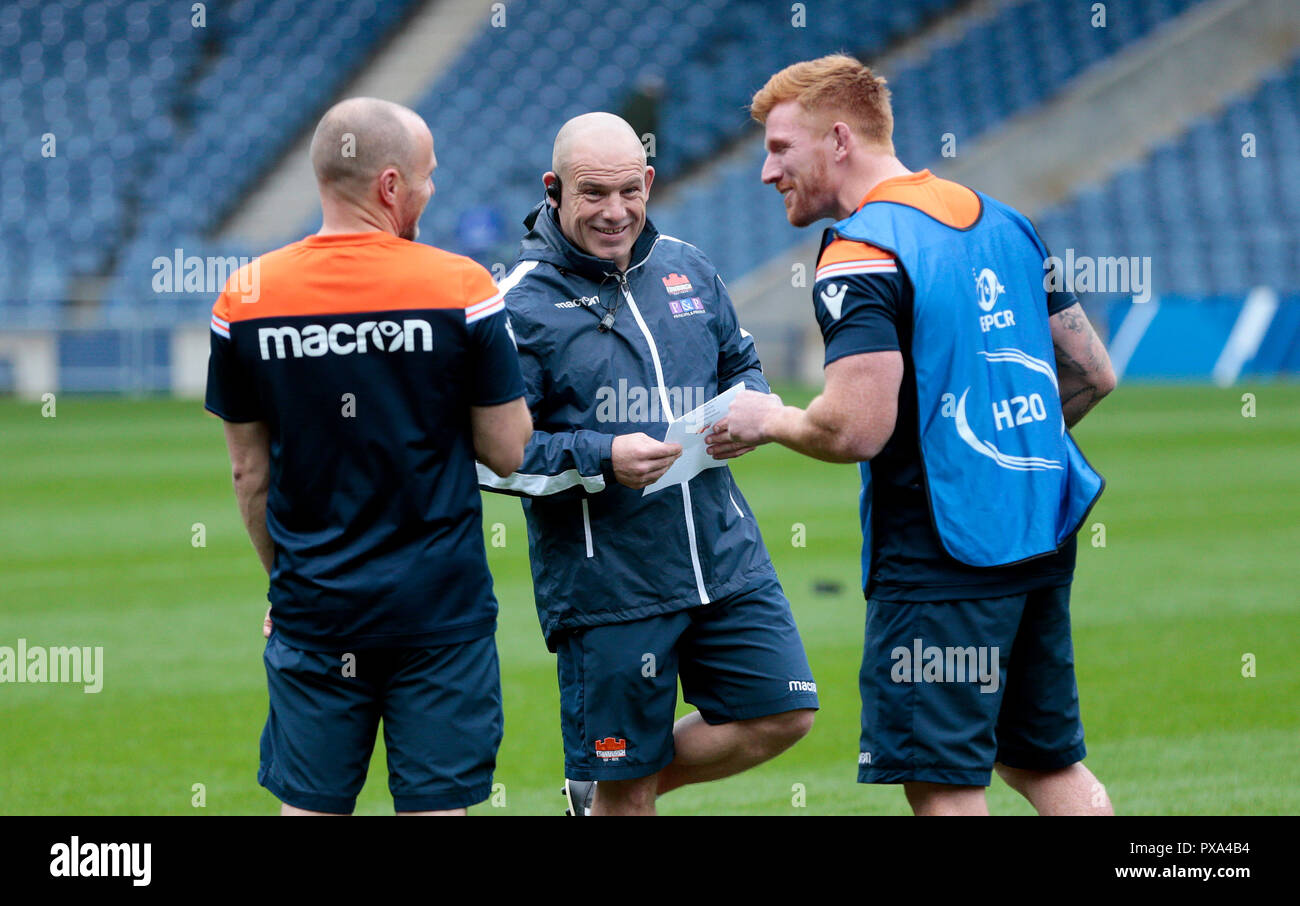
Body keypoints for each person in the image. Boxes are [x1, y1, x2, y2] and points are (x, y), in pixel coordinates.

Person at [718, 56, 1117, 816]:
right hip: (1041, 530)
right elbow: (1093, 373)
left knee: (942, 782)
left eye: (779, 149)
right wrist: (995, 451)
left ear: (839, 139)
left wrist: (768, 418)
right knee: (1043, 761)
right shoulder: (1004, 223)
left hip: (941, 557)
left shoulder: (861, 251)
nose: (767, 173)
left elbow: (854, 428)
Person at [479, 112, 817, 816]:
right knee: (627, 793)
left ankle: (603, 790)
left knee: (784, 714)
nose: (615, 211)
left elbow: (741, 363)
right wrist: (602, 456)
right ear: (553, 189)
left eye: (629, 191)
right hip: (611, 587)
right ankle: (614, 788)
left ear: (650, 182)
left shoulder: (687, 265)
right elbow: (492, 459)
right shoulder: (520, 307)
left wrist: (750, 409)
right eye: (593, 193)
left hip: (725, 558)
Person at [206, 97, 532, 816]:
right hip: (438, 612)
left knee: (310, 808)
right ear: (390, 186)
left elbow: (248, 474)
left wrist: (287, 584)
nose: (431, 189)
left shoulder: (245, 297)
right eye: (426, 175)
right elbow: (508, 452)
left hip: (315, 612)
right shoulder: (462, 288)